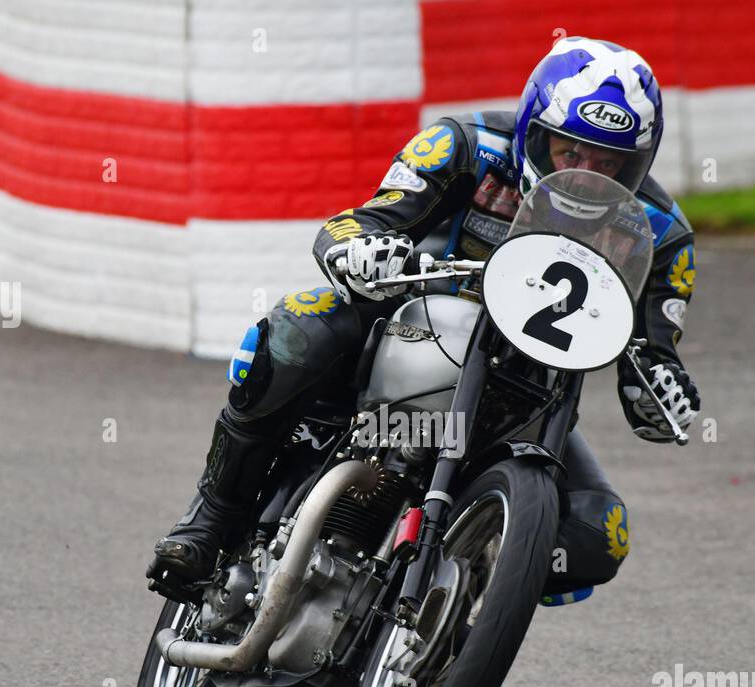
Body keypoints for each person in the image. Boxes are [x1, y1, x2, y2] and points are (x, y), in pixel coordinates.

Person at [147, 36, 700, 607]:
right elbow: (357, 223)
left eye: (608, 164)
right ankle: (209, 521)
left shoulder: (661, 233)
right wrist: (363, 250)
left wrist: (658, 390)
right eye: (570, 154)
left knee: (598, 536)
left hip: (526, 392)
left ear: (638, 164)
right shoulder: (464, 145)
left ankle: (450, 613)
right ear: (536, 132)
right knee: (295, 330)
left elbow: (655, 354)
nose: (585, 173)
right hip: (404, 325)